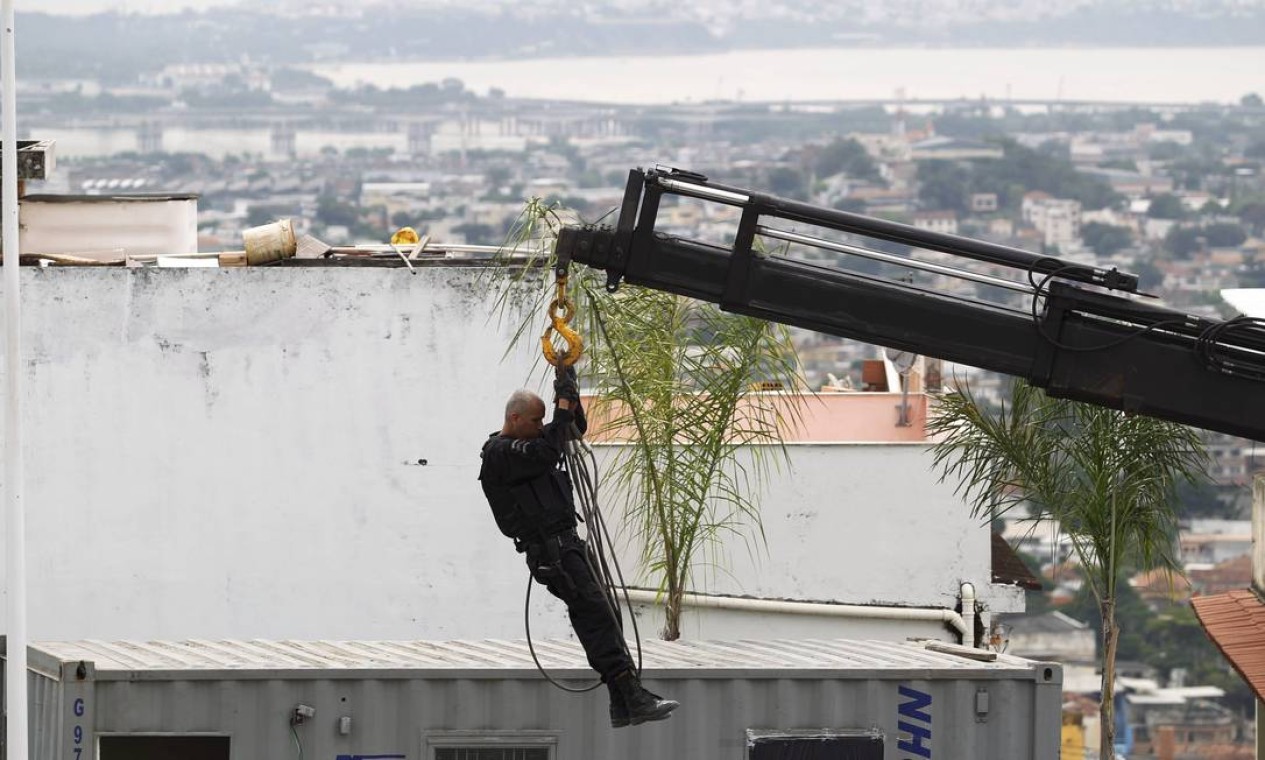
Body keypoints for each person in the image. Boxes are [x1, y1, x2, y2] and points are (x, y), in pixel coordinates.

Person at [478, 366, 679, 728]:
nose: (541, 426)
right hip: (551, 552)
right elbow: (545, 451)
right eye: (536, 420)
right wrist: (561, 407)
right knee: (595, 613)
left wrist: (567, 386)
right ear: (515, 418)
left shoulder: (533, 440)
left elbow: (573, 429)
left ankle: (622, 702)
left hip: (567, 545)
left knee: (604, 614)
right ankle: (630, 694)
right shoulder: (500, 452)